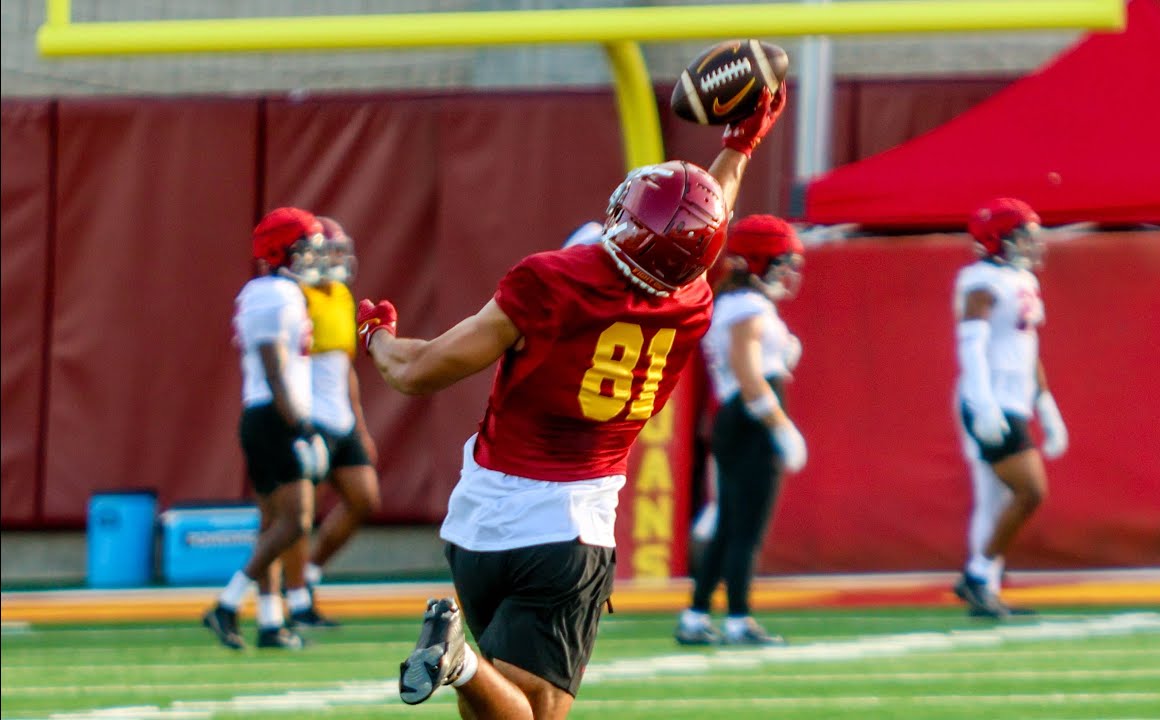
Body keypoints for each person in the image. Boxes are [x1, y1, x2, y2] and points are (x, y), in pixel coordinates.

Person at [359, 87, 786, 719]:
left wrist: (377, 337)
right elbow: (699, 231)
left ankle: (462, 663)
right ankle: (460, 661)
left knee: (497, 709)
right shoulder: (693, 300)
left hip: (477, 521)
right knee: (534, 712)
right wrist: (740, 147)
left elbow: (416, 373)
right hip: (568, 529)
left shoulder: (553, 279)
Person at [675, 214, 806, 646]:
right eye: (782, 262)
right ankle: (738, 619)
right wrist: (780, 425)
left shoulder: (739, 302)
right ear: (759, 260)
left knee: (729, 524)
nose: (788, 273)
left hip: (737, 417)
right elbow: (748, 374)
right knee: (745, 528)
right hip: (750, 418)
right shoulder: (747, 306)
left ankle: (696, 615)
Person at [203, 207, 329, 651]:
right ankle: (226, 604)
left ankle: (271, 622)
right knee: (295, 522)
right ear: (284, 251)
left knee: (274, 524)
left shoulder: (274, 292)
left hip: (266, 414)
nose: (313, 257)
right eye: (306, 248)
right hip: (275, 416)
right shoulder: (275, 295)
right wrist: (303, 426)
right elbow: (274, 366)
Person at [951, 198, 1068, 619]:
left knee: (995, 501)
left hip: (1013, 399)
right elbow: (972, 347)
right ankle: (978, 576)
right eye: (1022, 237)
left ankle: (985, 588)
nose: (1032, 245)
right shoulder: (981, 281)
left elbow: (1026, 346)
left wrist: (1045, 402)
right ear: (996, 240)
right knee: (1030, 491)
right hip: (989, 399)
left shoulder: (1022, 280)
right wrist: (982, 404)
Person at [280, 216, 381, 629]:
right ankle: (294, 598)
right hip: (308, 416)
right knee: (298, 513)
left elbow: (344, 366)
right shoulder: (293, 297)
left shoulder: (341, 294)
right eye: (328, 251)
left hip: (340, 415)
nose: (336, 259)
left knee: (364, 499)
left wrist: (359, 424)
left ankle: (308, 573)